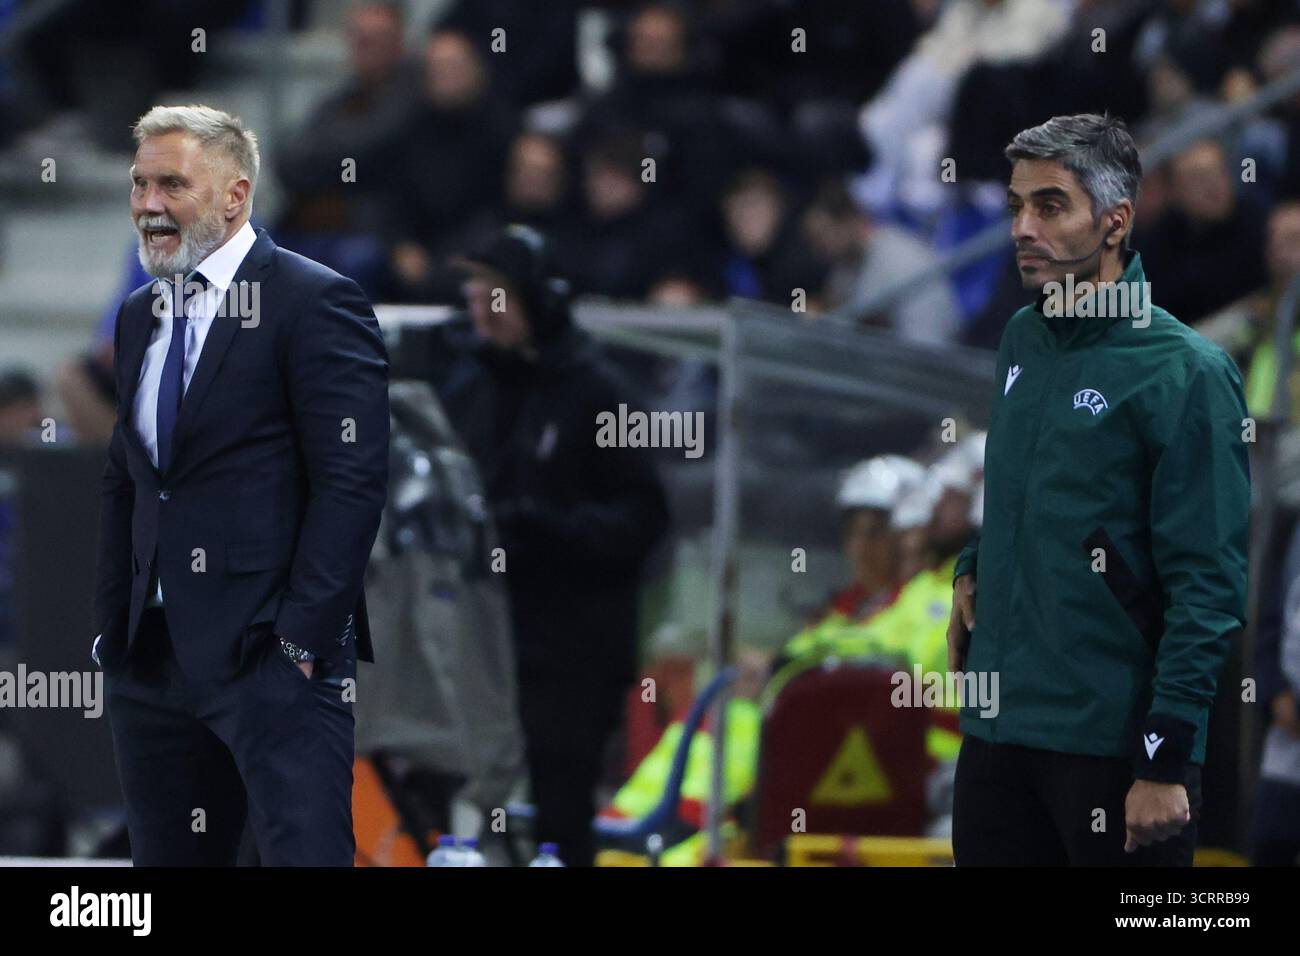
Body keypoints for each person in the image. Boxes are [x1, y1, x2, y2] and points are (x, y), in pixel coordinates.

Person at [946, 113, 1250, 866]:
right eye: (1018, 205)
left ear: (1115, 222)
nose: (1023, 227)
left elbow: (1208, 587)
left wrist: (1164, 760)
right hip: (995, 742)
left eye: (1050, 206)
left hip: (1114, 754)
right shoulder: (1021, 337)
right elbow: (1034, 505)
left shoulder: (1186, 371)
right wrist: (970, 569)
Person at [93, 105, 390, 866]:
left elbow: (351, 481)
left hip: (271, 660)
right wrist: (113, 632)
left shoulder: (314, 301)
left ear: (235, 196)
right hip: (153, 663)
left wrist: (301, 639)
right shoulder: (138, 316)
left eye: (171, 185)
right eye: (139, 184)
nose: (149, 205)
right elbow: (127, 480)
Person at [436, 225, 669, 866]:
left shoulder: (598, 392)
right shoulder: (469, 389)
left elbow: (643, 517)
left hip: (572, 650)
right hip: (484, 640)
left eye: (498, 296)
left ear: (538, 301)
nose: (483, 310)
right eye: (475, 295)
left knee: (562, 814)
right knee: (463, 805)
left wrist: (545, 529)